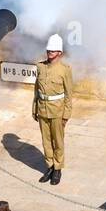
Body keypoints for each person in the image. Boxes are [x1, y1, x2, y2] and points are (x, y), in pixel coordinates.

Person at [33, 33, 73, 185]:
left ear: (59, 53)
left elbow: (69, 94)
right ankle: (49, 166)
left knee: (58, 141)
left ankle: (58, 168)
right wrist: (34, 108)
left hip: (58, 110)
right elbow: (36, 90)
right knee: (46, 141)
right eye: (48, 50)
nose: (49, 53)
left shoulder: (65, 70)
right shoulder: (40, 67)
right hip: (43, 109)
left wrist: (66, 114)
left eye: (53, 51)